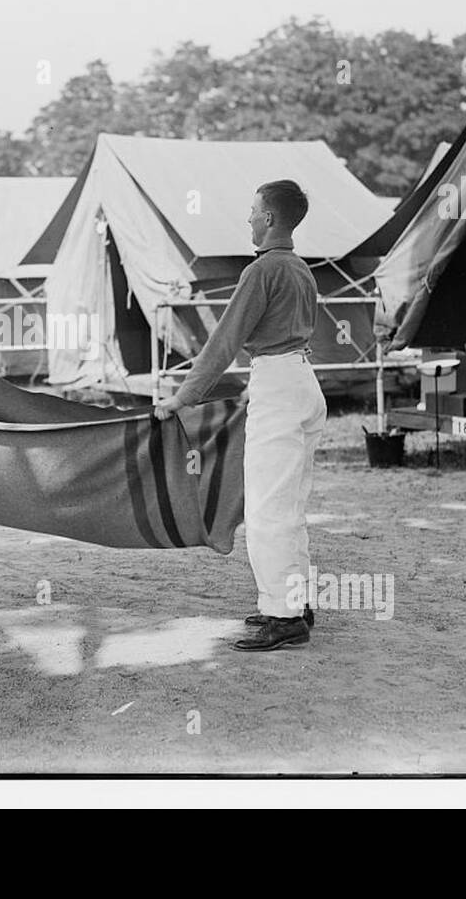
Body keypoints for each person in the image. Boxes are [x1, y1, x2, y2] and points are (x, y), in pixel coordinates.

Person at [154, 180, 325, 653]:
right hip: (303, 381)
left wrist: (182, 398)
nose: (248, 219)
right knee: (289, 508)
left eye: (253, 211)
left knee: (268, 510)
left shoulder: (262, 270)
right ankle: (296, 602)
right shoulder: (300, 270)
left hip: (277, 385)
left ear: (269, 219)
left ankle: (284, 616)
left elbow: (224, 342)